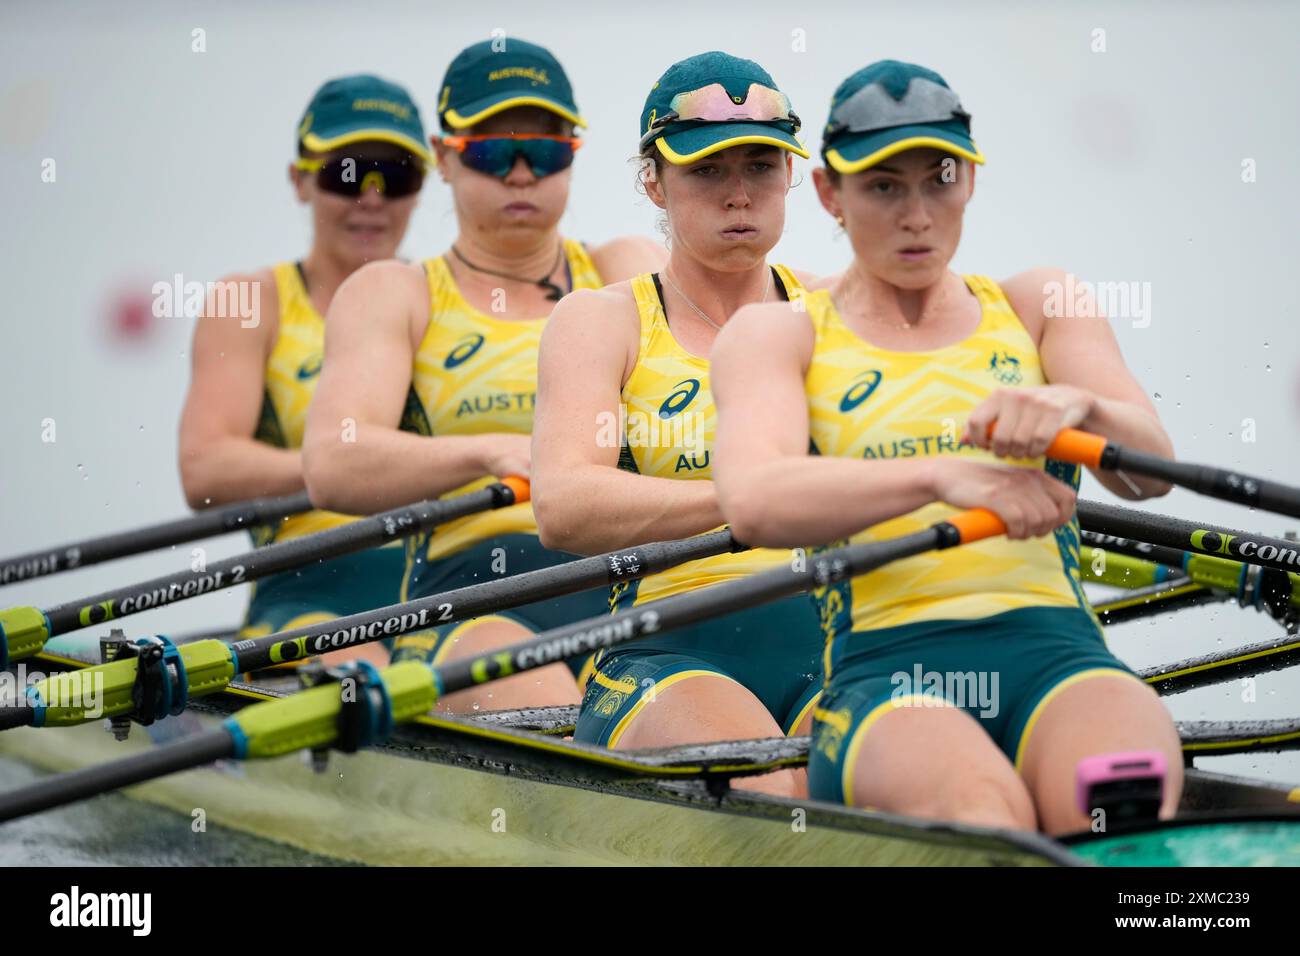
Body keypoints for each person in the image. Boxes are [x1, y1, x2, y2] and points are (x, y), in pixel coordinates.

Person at [710, 60, 1183, 831]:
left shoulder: (1037, 305)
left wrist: (1082, 404)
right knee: (983, 819)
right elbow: (755, 502)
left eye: (940, 178)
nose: (917, 216)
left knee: (1114, 803)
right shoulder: (778, 332)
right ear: (830, 193)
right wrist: (941, 476)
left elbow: (1150, 474)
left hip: (1061, 655)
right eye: (883, 186)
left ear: (970, 179)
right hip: (884, 677)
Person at [303, 38, 664, 711]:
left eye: (547, 150)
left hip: (632, 588)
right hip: (471, 599)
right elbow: (332, 459)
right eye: (494, 152)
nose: (521, 174)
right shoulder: (397, 293)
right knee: (560, 712)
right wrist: (494, 451)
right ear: (445, 157)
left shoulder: (625, 270)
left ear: (574, 154)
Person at [531, 52, 824, 797]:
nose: (738, 195)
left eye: (761, 166)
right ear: (654, 180)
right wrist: (748, 500)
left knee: (900, 787)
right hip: (664, 656)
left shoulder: (839, 312)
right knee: (773, 790)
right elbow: (563, 502)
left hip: (837, 646)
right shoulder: (602, 321)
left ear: (791, 174)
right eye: (706, 170)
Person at [179, 74, 430, 665]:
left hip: (449, 589)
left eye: (394, 176)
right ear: (299, 180)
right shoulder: (251, 300)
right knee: (358, 663)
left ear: (421, 188)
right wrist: (360, 470)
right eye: (346, 172)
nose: (370, 197)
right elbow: (205, 466)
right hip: (309, 595)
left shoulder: (446, 298)